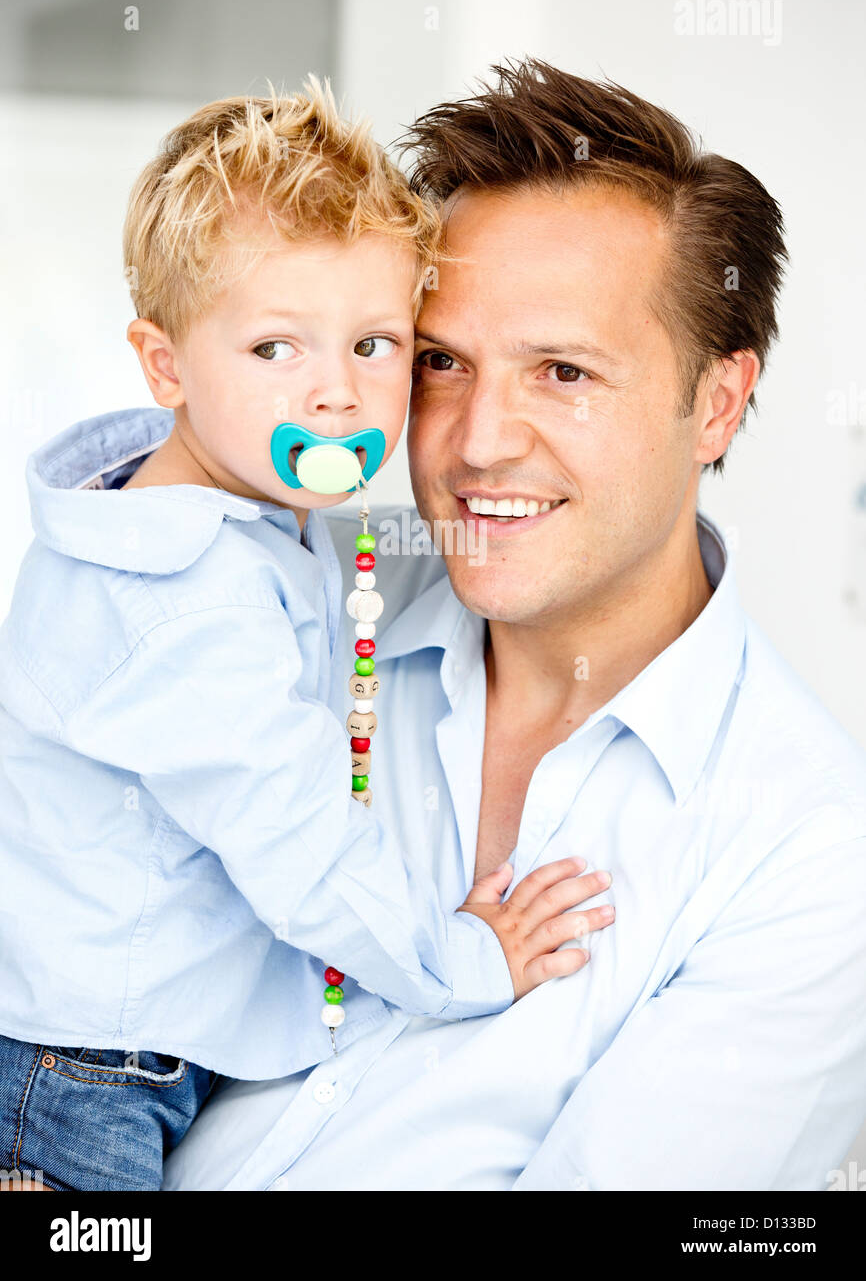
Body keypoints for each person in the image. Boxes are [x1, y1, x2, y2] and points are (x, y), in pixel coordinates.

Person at [163, 60, 866, 1192]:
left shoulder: (808, 856)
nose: (479, 440)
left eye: (561, 371)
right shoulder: (286, 592)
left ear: (716, 403)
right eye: (441, 362)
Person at [0, 79, 609, 1192]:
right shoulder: (189, 604)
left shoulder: (199, 512)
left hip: (104, 1059)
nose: (336, 395)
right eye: (276, 348)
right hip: (76, 1084)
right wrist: (465, 954)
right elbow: (301, 846)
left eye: (375, 344)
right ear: (166, 365)